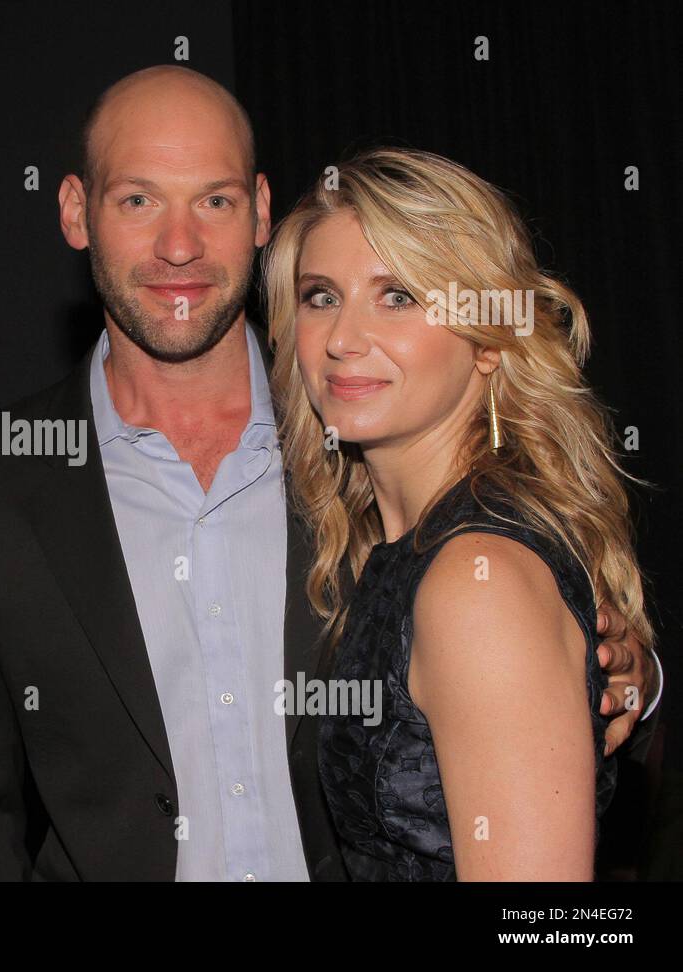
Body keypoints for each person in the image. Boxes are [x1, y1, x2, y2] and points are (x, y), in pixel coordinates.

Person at [0, 65, 660, 880]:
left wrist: (622, 682)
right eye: (138, 199)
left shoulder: (359, 436)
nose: (180, 245)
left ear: (260, 211)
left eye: (215, 200)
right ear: (76, 213)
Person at [262, 146, 659, 880]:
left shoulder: (476, 579)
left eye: (398, 295)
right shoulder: (403, 544)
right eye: (321, 296)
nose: (343, 339)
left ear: (486, 342)